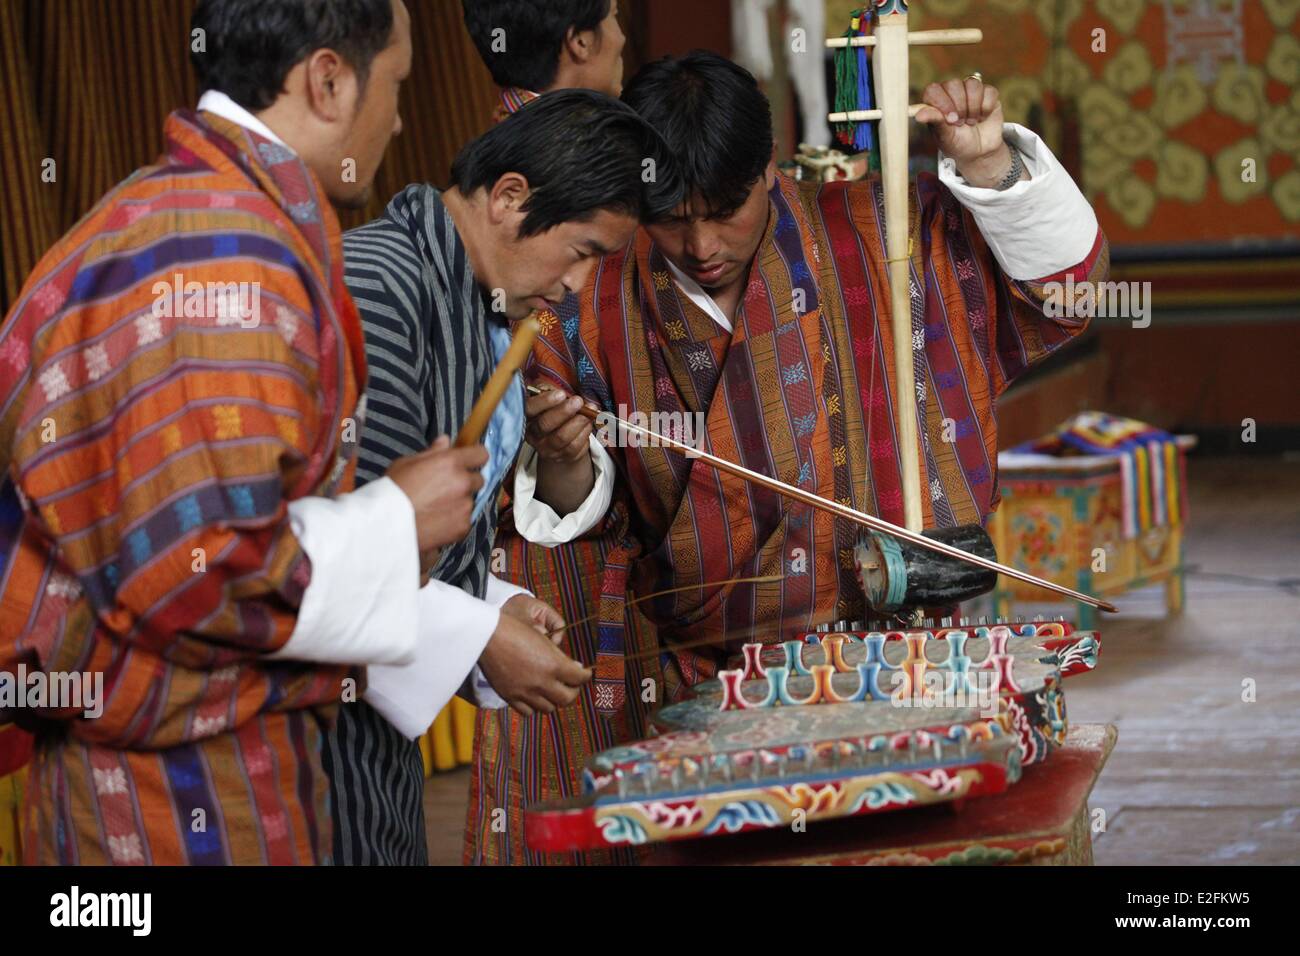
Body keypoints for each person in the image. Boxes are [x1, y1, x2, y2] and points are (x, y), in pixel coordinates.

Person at [472, 51, 1110, 864]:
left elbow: (1068, 294)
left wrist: (986, 162)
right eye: (669, 216)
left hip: (924, 664)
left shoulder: (889, 235)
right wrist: (562, 456)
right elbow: (578, 510)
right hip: (721, 695)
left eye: (726, 209)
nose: (701, 244)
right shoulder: (588, 297)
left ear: (769, 168)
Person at [0, 0, 460, 865]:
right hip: (176, 800)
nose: (400, 118)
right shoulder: (222, 253)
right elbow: (202, 566)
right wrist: (399, 516)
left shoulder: (149, 211)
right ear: (327, 80)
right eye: (396, 85)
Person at [323, 90, 680, 864]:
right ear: (511, 199)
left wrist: (499, 604)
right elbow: (339, 554)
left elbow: (416, 540)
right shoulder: (381, 286)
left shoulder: (479, 308)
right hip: (313, 735)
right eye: (582, 251)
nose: (578, 286)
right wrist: (480, 638)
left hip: (373, 740)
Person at [462, 0, 626, 120]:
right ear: (580, 41)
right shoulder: (594, 158)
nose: (622, 38)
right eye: (614, 15)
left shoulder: (506, 141)